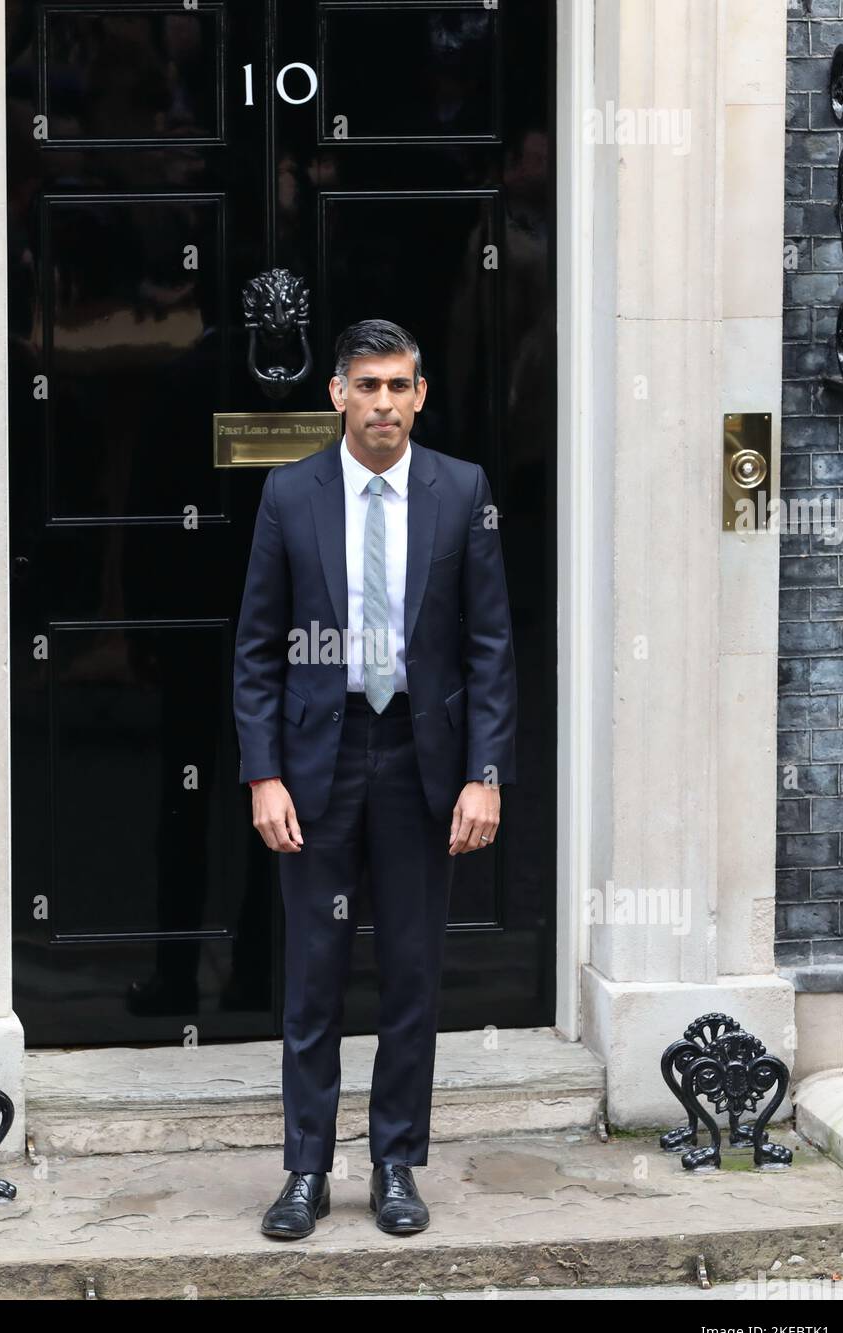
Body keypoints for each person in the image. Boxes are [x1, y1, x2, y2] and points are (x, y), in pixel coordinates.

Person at [233, 318, 517, 1238]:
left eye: (399, 386)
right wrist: (262, 774)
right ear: (339, 394)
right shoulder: (289, 494)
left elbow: (490, 648)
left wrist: (486, 773)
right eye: (368, 385)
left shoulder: (461, 491)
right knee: (314, 977)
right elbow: (256, 654)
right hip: (320, 758)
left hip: (422, 765)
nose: (384, 403)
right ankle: (307, 1171)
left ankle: (396, 1163)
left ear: (420, 394)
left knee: (411, 972)